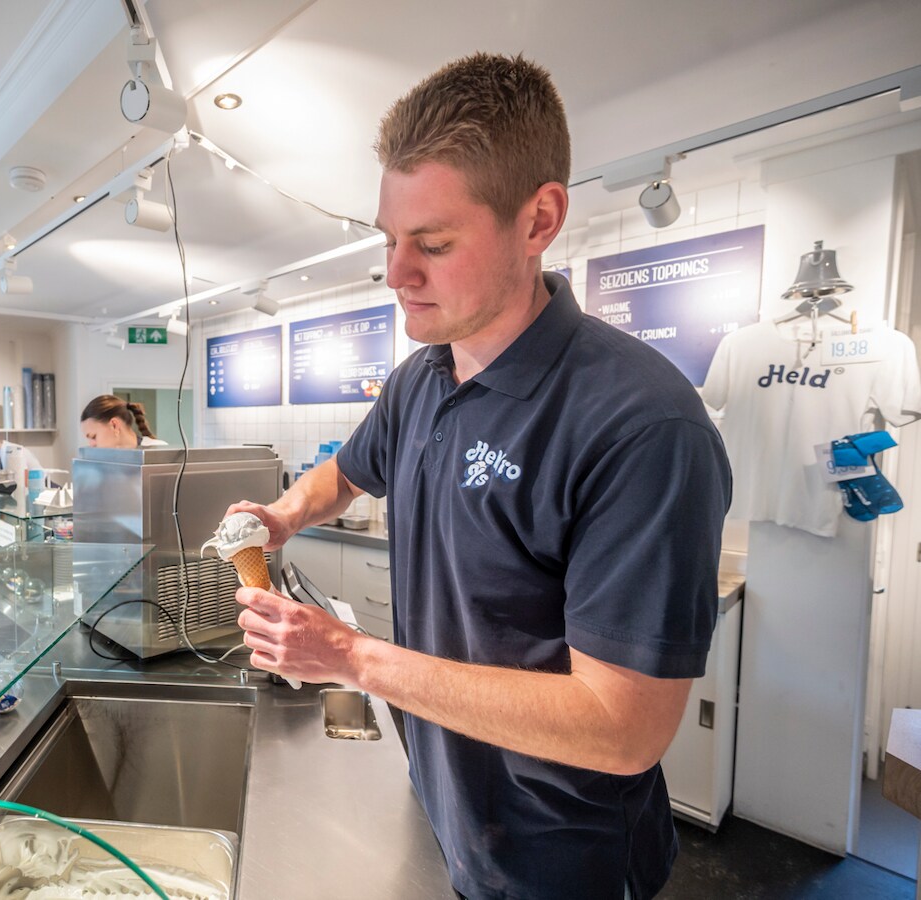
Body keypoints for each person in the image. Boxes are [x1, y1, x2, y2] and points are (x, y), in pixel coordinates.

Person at [224, 54, 731, 900]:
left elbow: (622, 729)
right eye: (390, 242)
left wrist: (350, 656)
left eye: (434, 243)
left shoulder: (642, 426)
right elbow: (346, 474)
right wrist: (281, 515)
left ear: (539, 220)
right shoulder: (422, 377)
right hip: (444, 811)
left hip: (560, 865)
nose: (395, 274)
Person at [79, 394, 167, 448]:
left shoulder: (159, 450)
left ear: (114, 425)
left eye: (93, 437)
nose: (91, 444)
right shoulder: (106, 462)